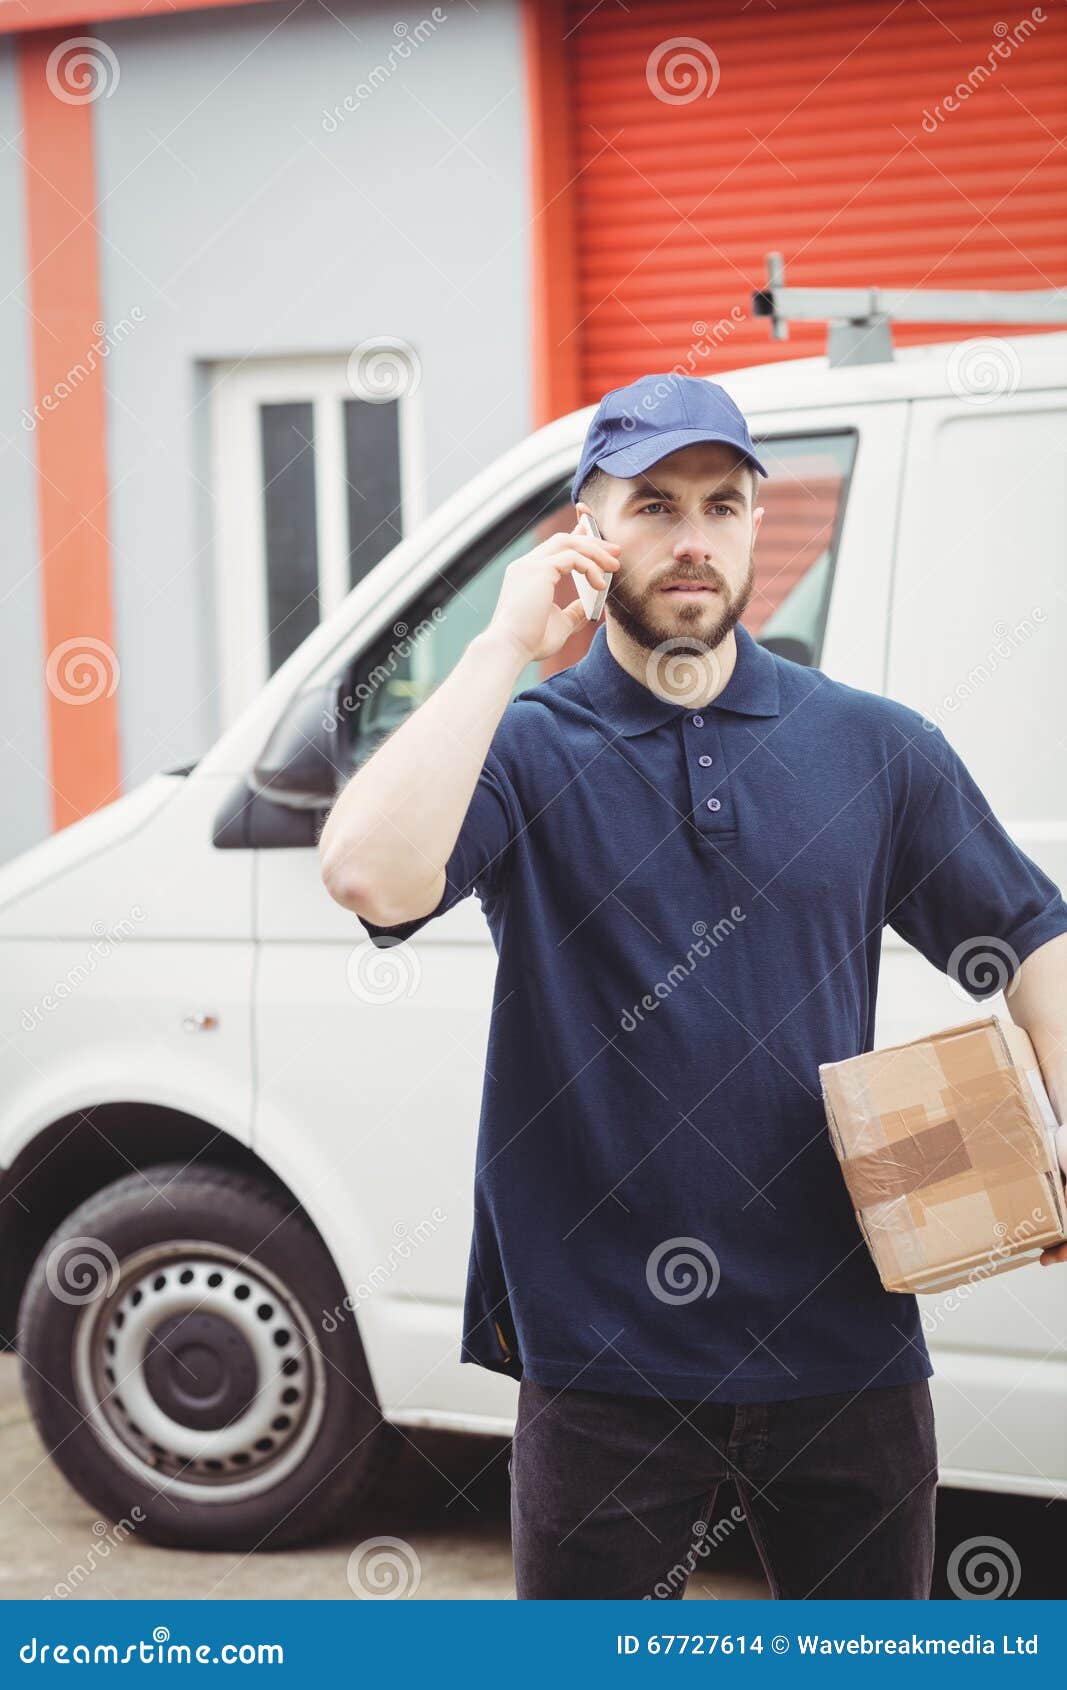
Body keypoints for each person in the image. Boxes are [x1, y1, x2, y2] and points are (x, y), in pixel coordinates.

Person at [318, 372, 1067, 1600]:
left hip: (848, 1343)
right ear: (584, 530)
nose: (690, 539)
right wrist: (503, 643)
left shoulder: (871, 747)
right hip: (602, 1357)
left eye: (720, 505)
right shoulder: (525, 745)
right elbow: (370, 874)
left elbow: (1032, 934)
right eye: (651, 504)